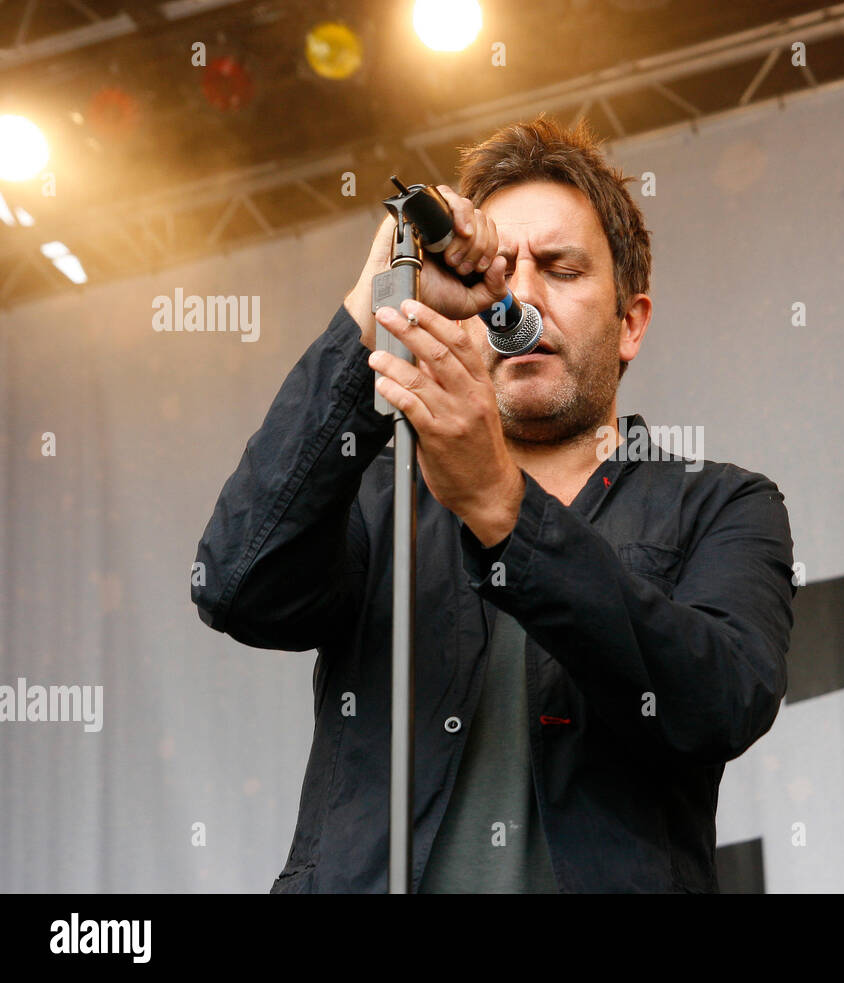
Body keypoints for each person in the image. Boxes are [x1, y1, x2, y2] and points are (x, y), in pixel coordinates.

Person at [191, 114, 797, 893]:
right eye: (503, 266)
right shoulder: (381, 492)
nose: (525, 296)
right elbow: (235, 585)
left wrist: (503, 507)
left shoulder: (722, 504)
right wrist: (373, 307)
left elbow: (720, 701)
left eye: (563, 269)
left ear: (631, 324)